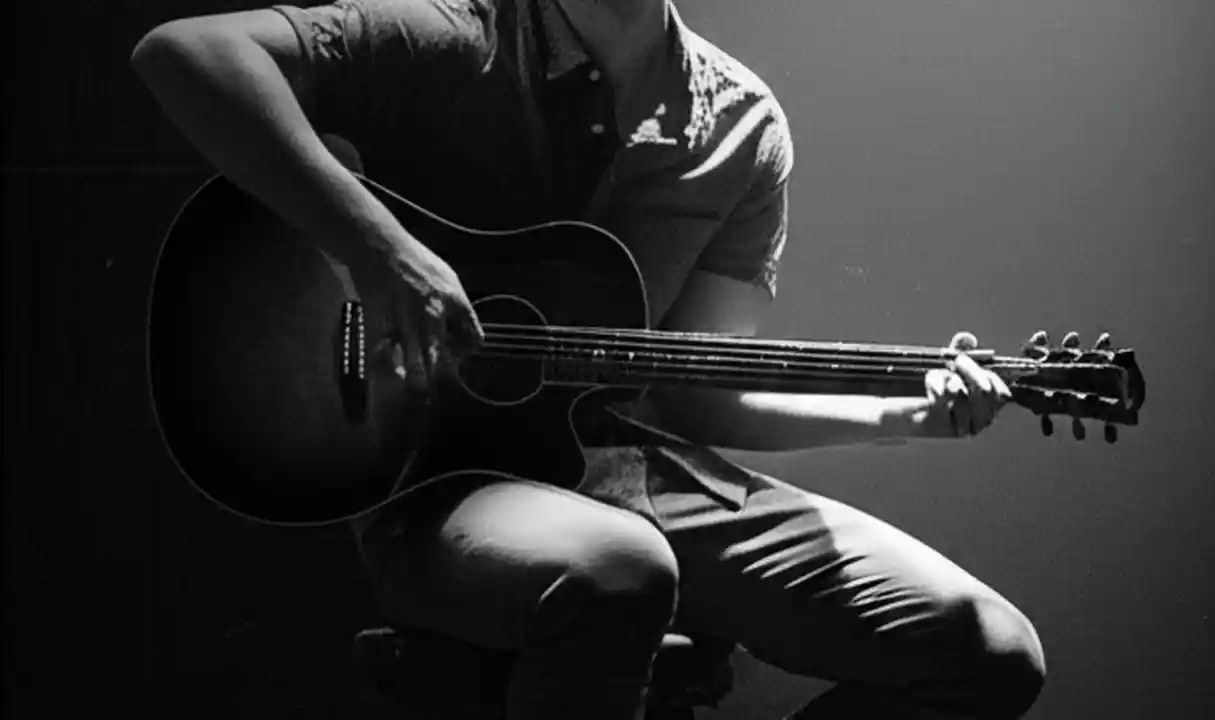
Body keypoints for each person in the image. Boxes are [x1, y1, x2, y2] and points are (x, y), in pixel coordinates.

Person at [131, 1, 1047, 718]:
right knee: (620, 567)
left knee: (989, 652)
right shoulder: (454, 38)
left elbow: (709, 397)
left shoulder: (741, 127)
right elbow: (184, 53)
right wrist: (380, 249)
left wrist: (909, 414)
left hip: (640, 478)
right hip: (441, 488)